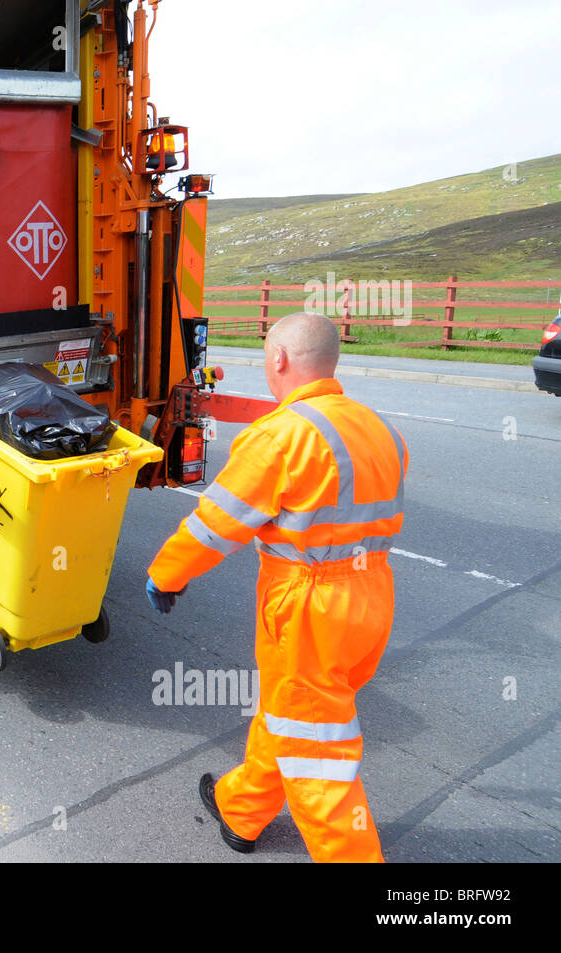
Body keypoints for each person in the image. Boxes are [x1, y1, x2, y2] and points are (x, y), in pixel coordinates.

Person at [146, 312, 407, 863]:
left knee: (316, 752)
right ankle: (241, 810)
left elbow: (215, 525)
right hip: (371, 598)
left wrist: (167, 574)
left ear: (280, 360)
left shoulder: (280, 436)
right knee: (291, 709)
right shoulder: (379, 427)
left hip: (311, 605)